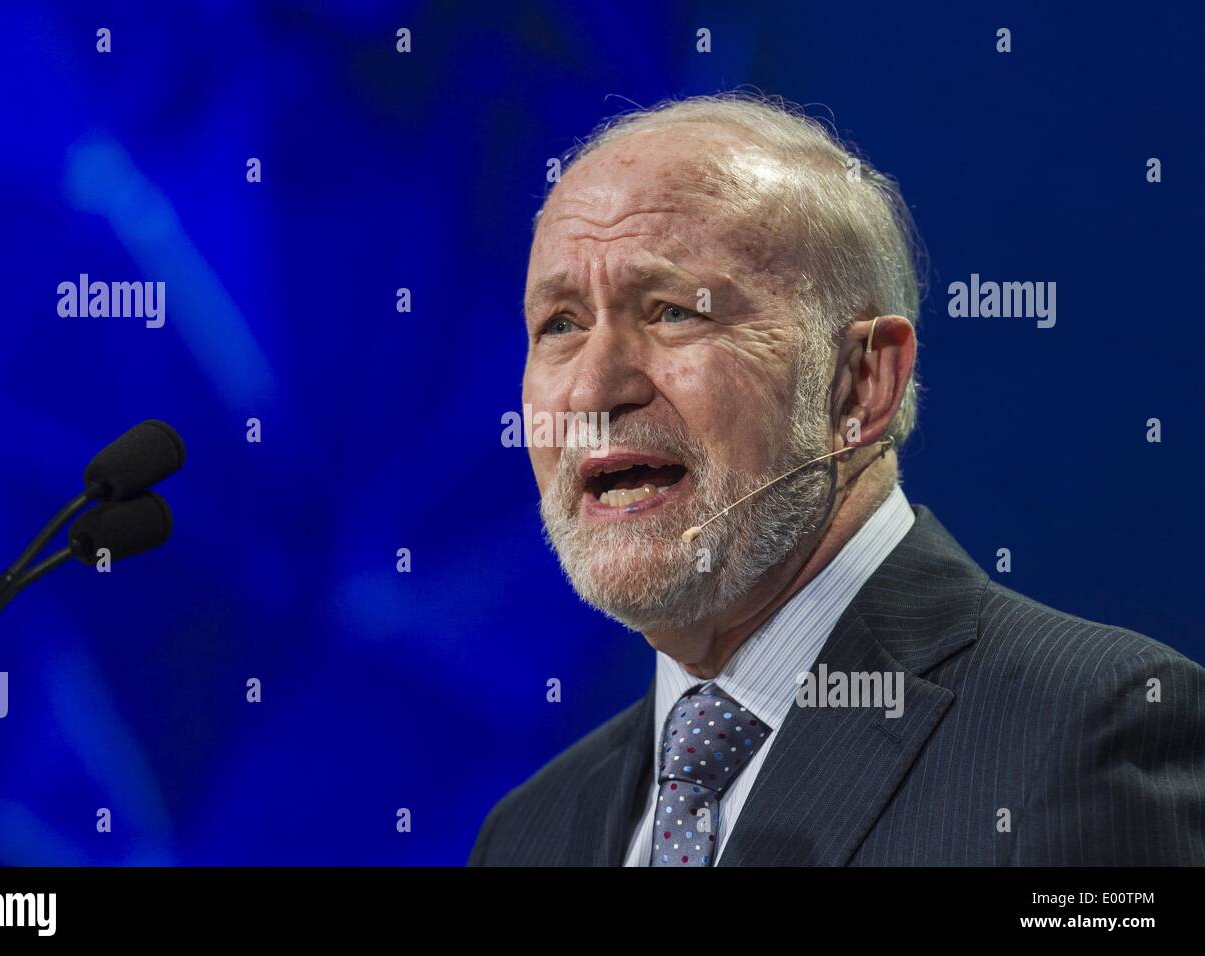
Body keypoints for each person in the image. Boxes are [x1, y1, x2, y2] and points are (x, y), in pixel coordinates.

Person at [467, 93, 1205, 866]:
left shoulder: (1093, 732)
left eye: (673, 312)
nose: (591, 391)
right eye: (560, 324)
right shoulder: (528, 833)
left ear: (861, 383)